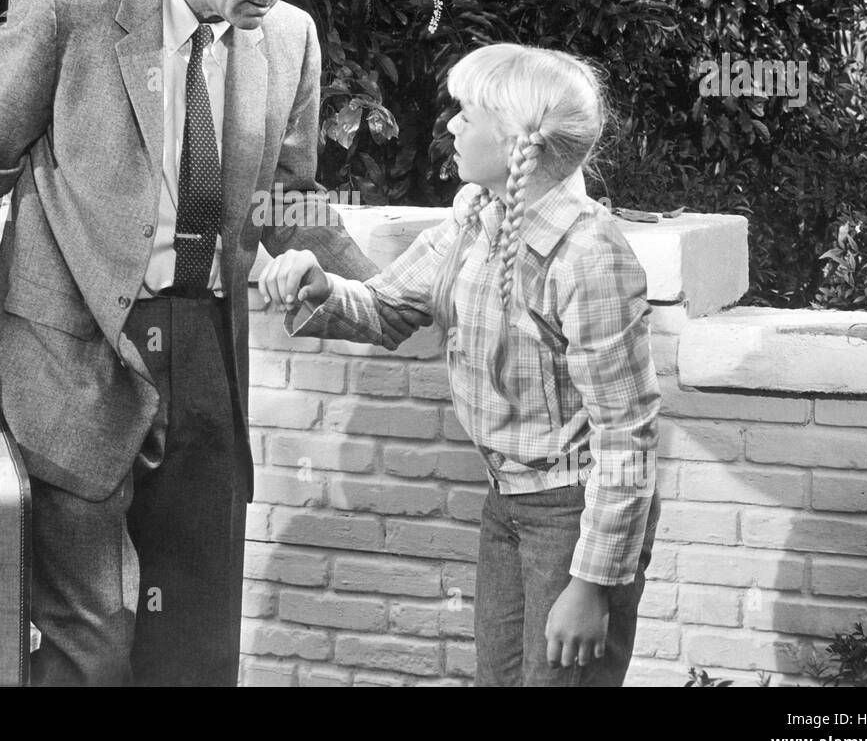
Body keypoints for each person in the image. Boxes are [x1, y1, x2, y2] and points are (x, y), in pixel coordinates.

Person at [0, 0, 426, 686]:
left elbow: (284, 198)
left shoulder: (289, 39)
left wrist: (383, 291)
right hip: (69, 355)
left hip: (205, 355)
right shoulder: (67, 10)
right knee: (91, 636)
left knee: (194, 637)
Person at [260, 43, 662, 687]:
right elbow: (388, 304)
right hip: (510, 504)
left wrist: (592, 583)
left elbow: (629, 436)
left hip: (574, 516)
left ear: (514, 142)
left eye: (466, 114)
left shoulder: (588, 254)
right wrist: (321, 286)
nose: (449, 125)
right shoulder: (478, 219)